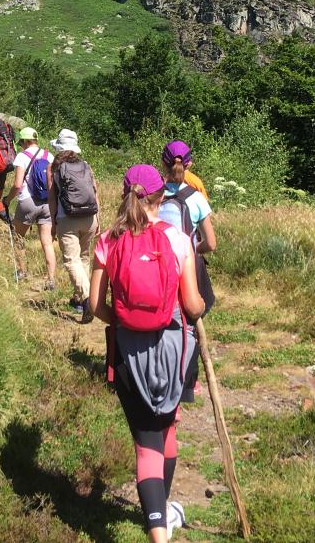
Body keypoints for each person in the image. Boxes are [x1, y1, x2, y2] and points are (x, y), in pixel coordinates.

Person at [89, 164, 204, 542]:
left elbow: (94, 307)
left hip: (128, 354)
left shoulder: (108, 240)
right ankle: (161, 524)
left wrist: (123, 322)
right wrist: (198, 307)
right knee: (167, 424)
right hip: (175, 348)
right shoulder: (177, 239)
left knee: (146, 443)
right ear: (161, 197)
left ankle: (159, 516)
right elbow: (192, 305)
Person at [158, 140, 218, 403]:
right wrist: (194, 249)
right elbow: (211, 243)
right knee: (191, 321)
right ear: (189, 163)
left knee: (161, 317)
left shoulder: (154, 194)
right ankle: (188, 383)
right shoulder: (196, 198)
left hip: (158, 264)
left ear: (163, 163)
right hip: (188, 266)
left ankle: (160, 373)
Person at [47, 129, 99, 320]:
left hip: (67, 218)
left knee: (71, 261)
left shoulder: (53, 167)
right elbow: (95, 192)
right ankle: (79, 300)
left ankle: (88, 299)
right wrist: (98, 217)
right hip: (90, 217)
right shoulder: (85, 165)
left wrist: (53, 221)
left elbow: (52, 198)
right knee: (83, 258)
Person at [5, 127, 56, 286]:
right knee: (47, 243)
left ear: (26, 141)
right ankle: (51, 279)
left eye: (21, 142)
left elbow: (18, 185)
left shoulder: (22, 156)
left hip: (28, 201)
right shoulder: (49, 155)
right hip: (47, 202)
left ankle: (21, 271)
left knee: (18, 237)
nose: (21, 145)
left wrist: (7, 200)